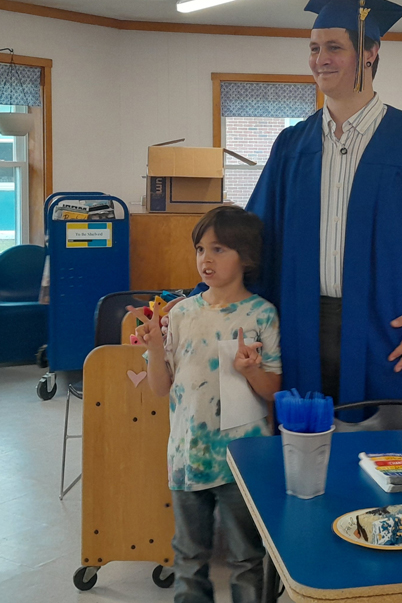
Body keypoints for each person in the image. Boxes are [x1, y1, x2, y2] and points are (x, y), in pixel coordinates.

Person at [246, 0, 402, 415]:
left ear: (370, 52)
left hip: (386, 331)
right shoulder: (291, 145)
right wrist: (204, 296)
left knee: (389, 460)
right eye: (314, 48)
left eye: (334, 47)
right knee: (306, 454)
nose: (321, 60)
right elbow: (256, 238)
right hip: (300, 327)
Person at [130, 205, 282, 603]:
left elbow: (272, 390)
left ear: (246, 257)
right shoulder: (181, 313)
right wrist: (155, 347)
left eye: (219, 249)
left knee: (247, 558)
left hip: (240, 461)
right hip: (186, 455)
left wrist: (250, 371)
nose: (206, 259)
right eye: (200, 249)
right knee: (188, 555)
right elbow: (161, 389)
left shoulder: (261, 314)